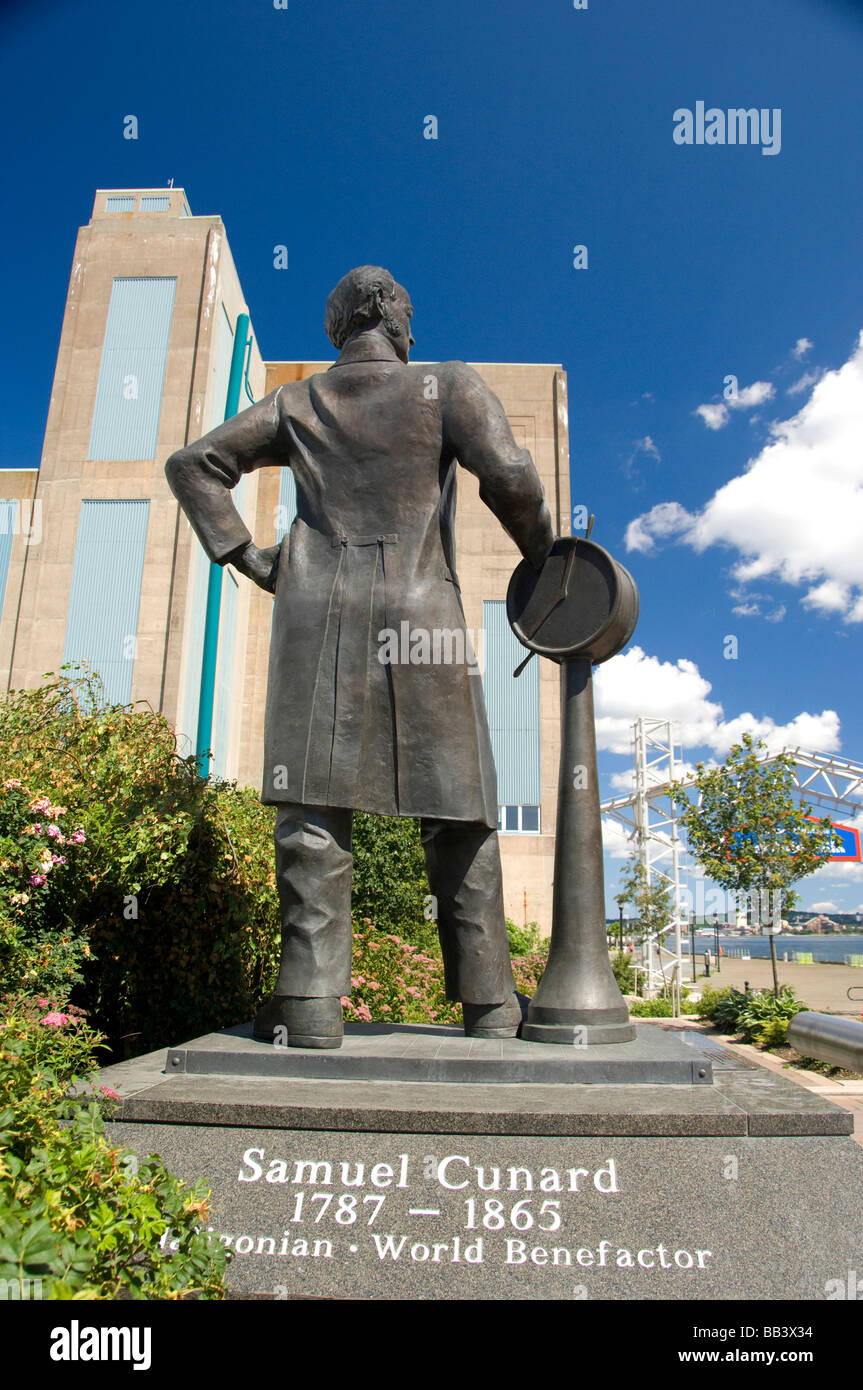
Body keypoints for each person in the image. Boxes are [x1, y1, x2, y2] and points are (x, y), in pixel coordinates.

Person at [166, 266, 555, 1048]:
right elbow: (510, 475)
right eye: (409, 308)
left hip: (316, 608)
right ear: (385, 313)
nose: (413, 322)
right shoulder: (442, 384)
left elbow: (192, 465)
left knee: (311, 806)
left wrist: (251, 557)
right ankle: (489, 1006)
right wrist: (548, 565)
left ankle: (310, 1004)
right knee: (459, 808)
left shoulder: (296, 401)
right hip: (422, 609)